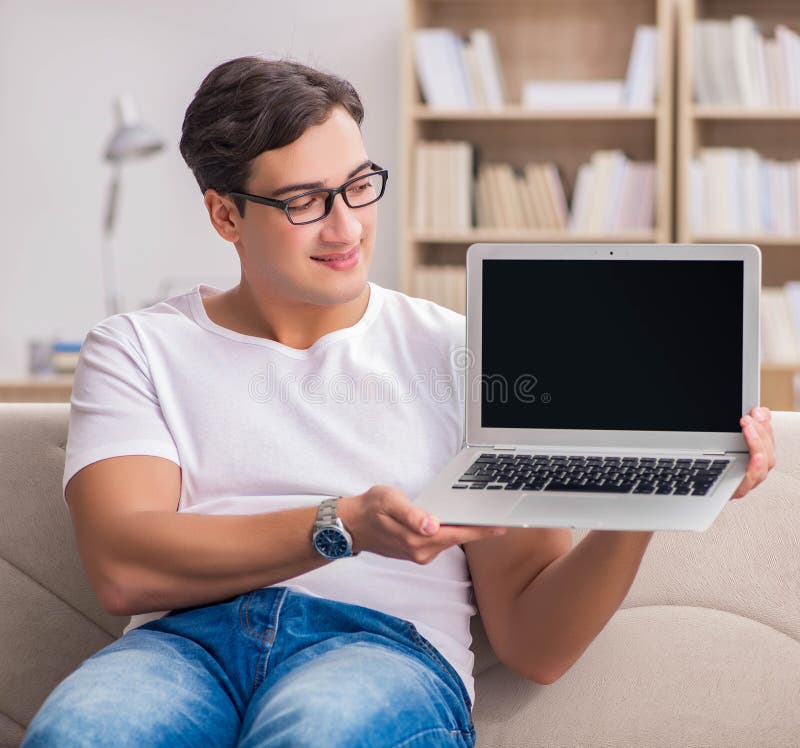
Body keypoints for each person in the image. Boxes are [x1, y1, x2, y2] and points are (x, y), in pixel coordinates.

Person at [23, 57, 775, 748]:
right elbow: (124, 564)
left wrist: (646, 503)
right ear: (226, 216)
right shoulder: (137, 348)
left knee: (320, 734)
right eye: (304, 202)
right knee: (85, 733)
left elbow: (536, 645)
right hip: (183, 647)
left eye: (357, 185)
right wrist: (343, 525)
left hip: (380, 649)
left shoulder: (469, 355)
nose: (347, 226)